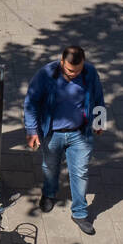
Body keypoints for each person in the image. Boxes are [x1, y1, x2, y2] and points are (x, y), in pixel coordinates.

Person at [23, 45, 107, 234]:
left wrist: (99, 121)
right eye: (70, 71)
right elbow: (31, 102)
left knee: (80, 173)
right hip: (52, 133)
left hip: (80, 133)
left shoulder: (90, 73)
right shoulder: (45, 74)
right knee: (50, 167)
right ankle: (49, 193)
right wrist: (32, 130)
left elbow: (98, 97)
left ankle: (79, 213)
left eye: (77, 71)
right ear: (62, 62)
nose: (74, 75)